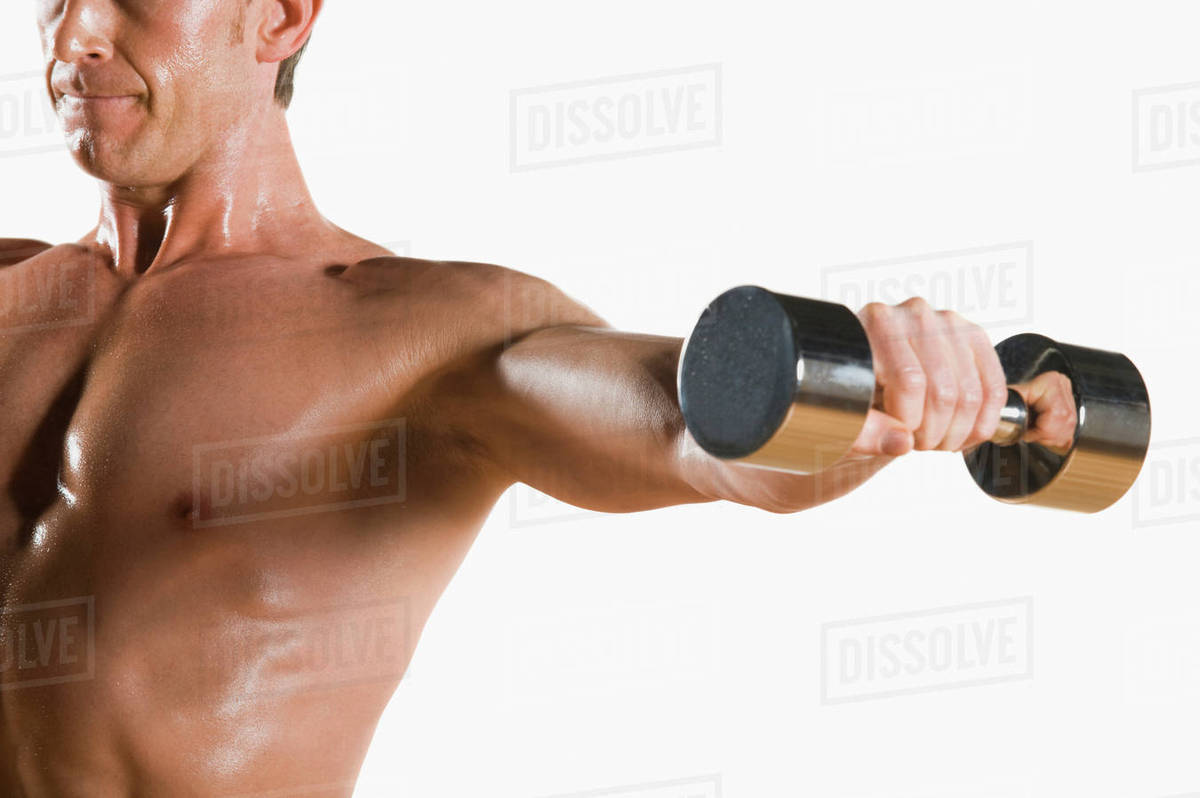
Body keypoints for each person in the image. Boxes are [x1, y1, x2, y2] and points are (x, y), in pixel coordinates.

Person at [0, 0, 1070, 795]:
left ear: (279, 17)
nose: (76, 34)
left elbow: (697, 436)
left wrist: (878, 396)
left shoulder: (425, 335)